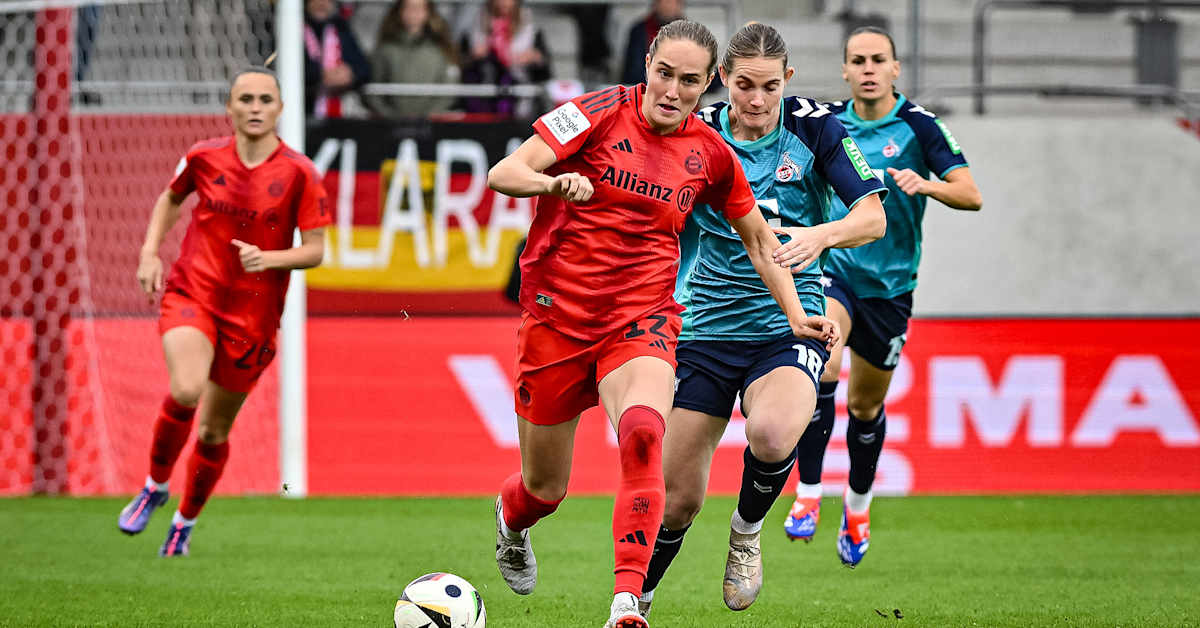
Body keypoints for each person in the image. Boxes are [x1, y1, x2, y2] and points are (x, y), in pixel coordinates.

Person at [485, 19, 836, 628]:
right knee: (545, 489)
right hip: (555, 321)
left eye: (690, 81)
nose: (673, 90)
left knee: (645, 430)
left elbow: (758, 241)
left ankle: (627, 601)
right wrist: (554, 181)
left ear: (708, 85)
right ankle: (512, 522)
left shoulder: (711, 153)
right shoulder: (590, 113)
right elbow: (505, 173)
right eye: (664, 73)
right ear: (646, 63)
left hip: (641, 319)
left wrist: (797, 314)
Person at [637, 22, 888, 616]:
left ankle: (747, 533)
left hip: (788, 323)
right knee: (676, 502)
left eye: (769, 87)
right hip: (702, 329)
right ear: (723, 79)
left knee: (774, 433)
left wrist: (820, 237)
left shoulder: (816, 129)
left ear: (788, 81)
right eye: (744, 85)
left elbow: (872, 218)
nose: (756, 101)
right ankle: (634, 604)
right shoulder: (696, 134)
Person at [784, 26, 982, 567]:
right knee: (820, 364)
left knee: (865, 405)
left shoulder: (918, 126)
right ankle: (807, 494)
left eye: (878, 60)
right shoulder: (827, 125)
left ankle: (858, 504)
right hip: (836, 272)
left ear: (895, 69)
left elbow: (971, 193)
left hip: (892, 288)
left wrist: (928, 185)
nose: (868, 68)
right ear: (844, 72)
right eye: (857, 60)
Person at [117, 67, 330, 556]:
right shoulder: (202, 156)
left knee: (214, 429)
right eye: (246, 99)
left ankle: (184, 523)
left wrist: (270, 259)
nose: (255, 107)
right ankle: (154, 484)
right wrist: (150, 251)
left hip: (253, 316)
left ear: (280, 109)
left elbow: (316, 250)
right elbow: (170, 198)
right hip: (194, 291)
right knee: (186, 388)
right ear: (229, 108)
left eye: (265, 99)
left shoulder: (300, 172)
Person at [367, 0, 459, 118]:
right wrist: (389, 115)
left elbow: (448, 89)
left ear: (428, 12)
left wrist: (431, 115)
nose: (413, 12)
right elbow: (373, 88)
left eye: (419, 8)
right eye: (408, 7)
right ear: (399, 11)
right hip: (390, 125)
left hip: (430, 124)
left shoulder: (441, 49)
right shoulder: (385, 49)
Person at [459, 0, 550, 115]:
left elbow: (546, 72)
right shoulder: (474, 29)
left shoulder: (532, 30)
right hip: (482, 98)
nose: (504, 3)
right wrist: (473, 57)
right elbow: (459, 65)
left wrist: (536, 58)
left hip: (521, 98)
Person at [304, 0, 371, 118]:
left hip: (337, 114)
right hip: (302, 110)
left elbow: (364, 68)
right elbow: (285, 70)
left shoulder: (341, 28)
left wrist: (350, 73)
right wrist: (320, 76)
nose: (322, 3)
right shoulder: (290, 29)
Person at [619, 0, 683, 86]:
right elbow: (633, 72)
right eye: (665, 2)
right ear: (656, 4)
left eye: (674, 2)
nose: (669, 7)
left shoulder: (691, 33)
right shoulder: (640, 31)